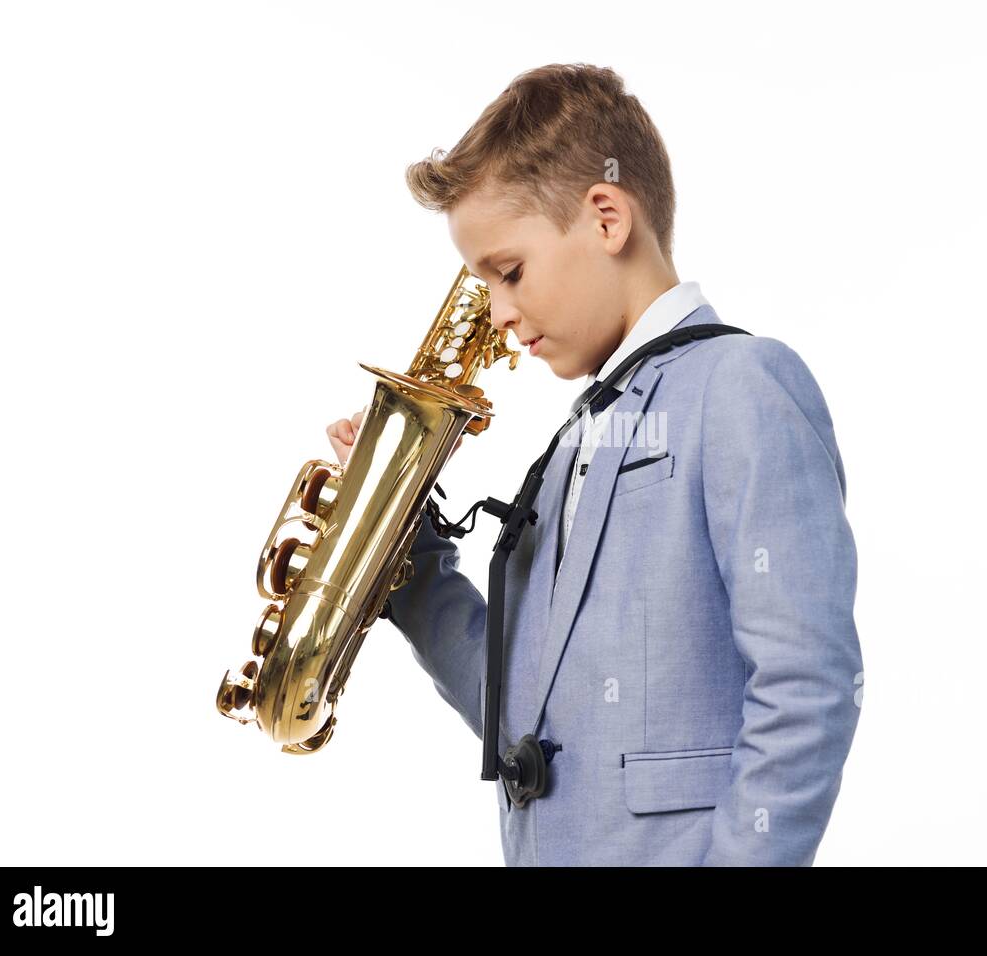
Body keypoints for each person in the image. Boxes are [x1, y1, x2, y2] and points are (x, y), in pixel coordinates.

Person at [326, 63, 863, 866]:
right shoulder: (578, 439)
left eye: (507, 273)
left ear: (607, 216)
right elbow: (521, 721)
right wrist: (399, 554)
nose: (500, 314)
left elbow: (808, 690)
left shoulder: (743, 385)